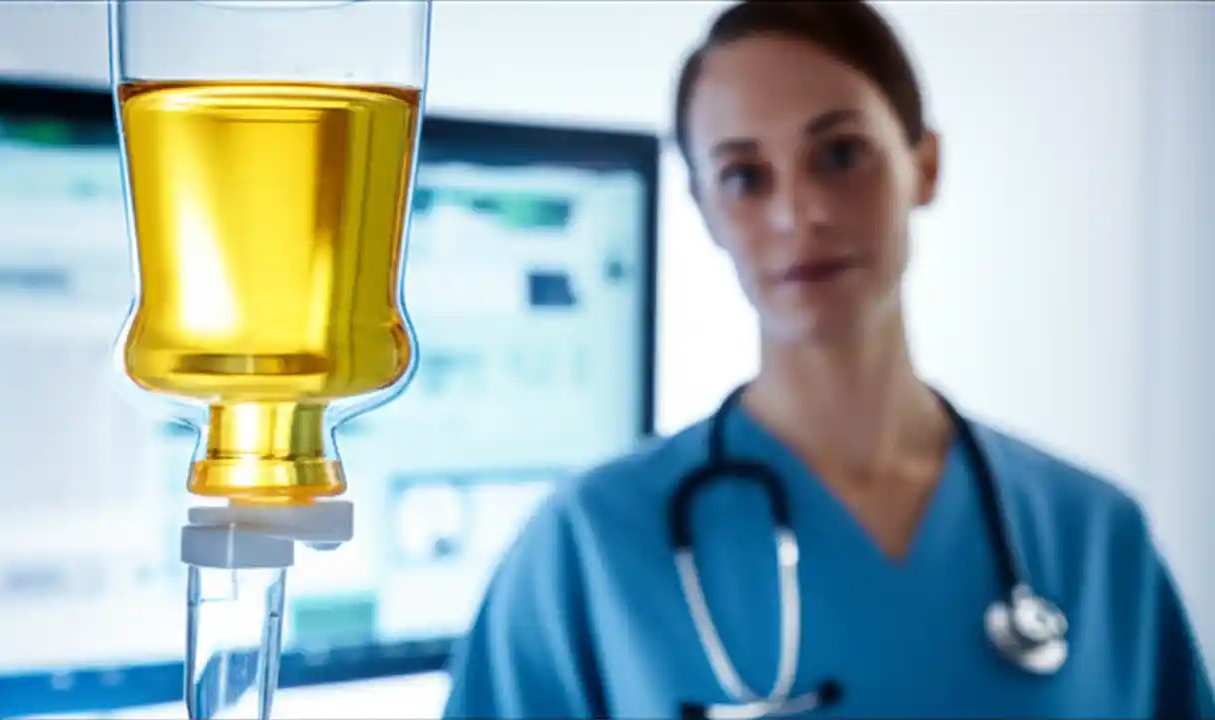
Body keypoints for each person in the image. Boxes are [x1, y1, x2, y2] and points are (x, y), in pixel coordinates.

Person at [440, 1, 1215, 717]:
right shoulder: (590, 550)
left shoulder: (1093, 538)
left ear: (926, 165)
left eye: (841, 154)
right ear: (706, 209)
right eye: (744, 176)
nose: (797, 212)